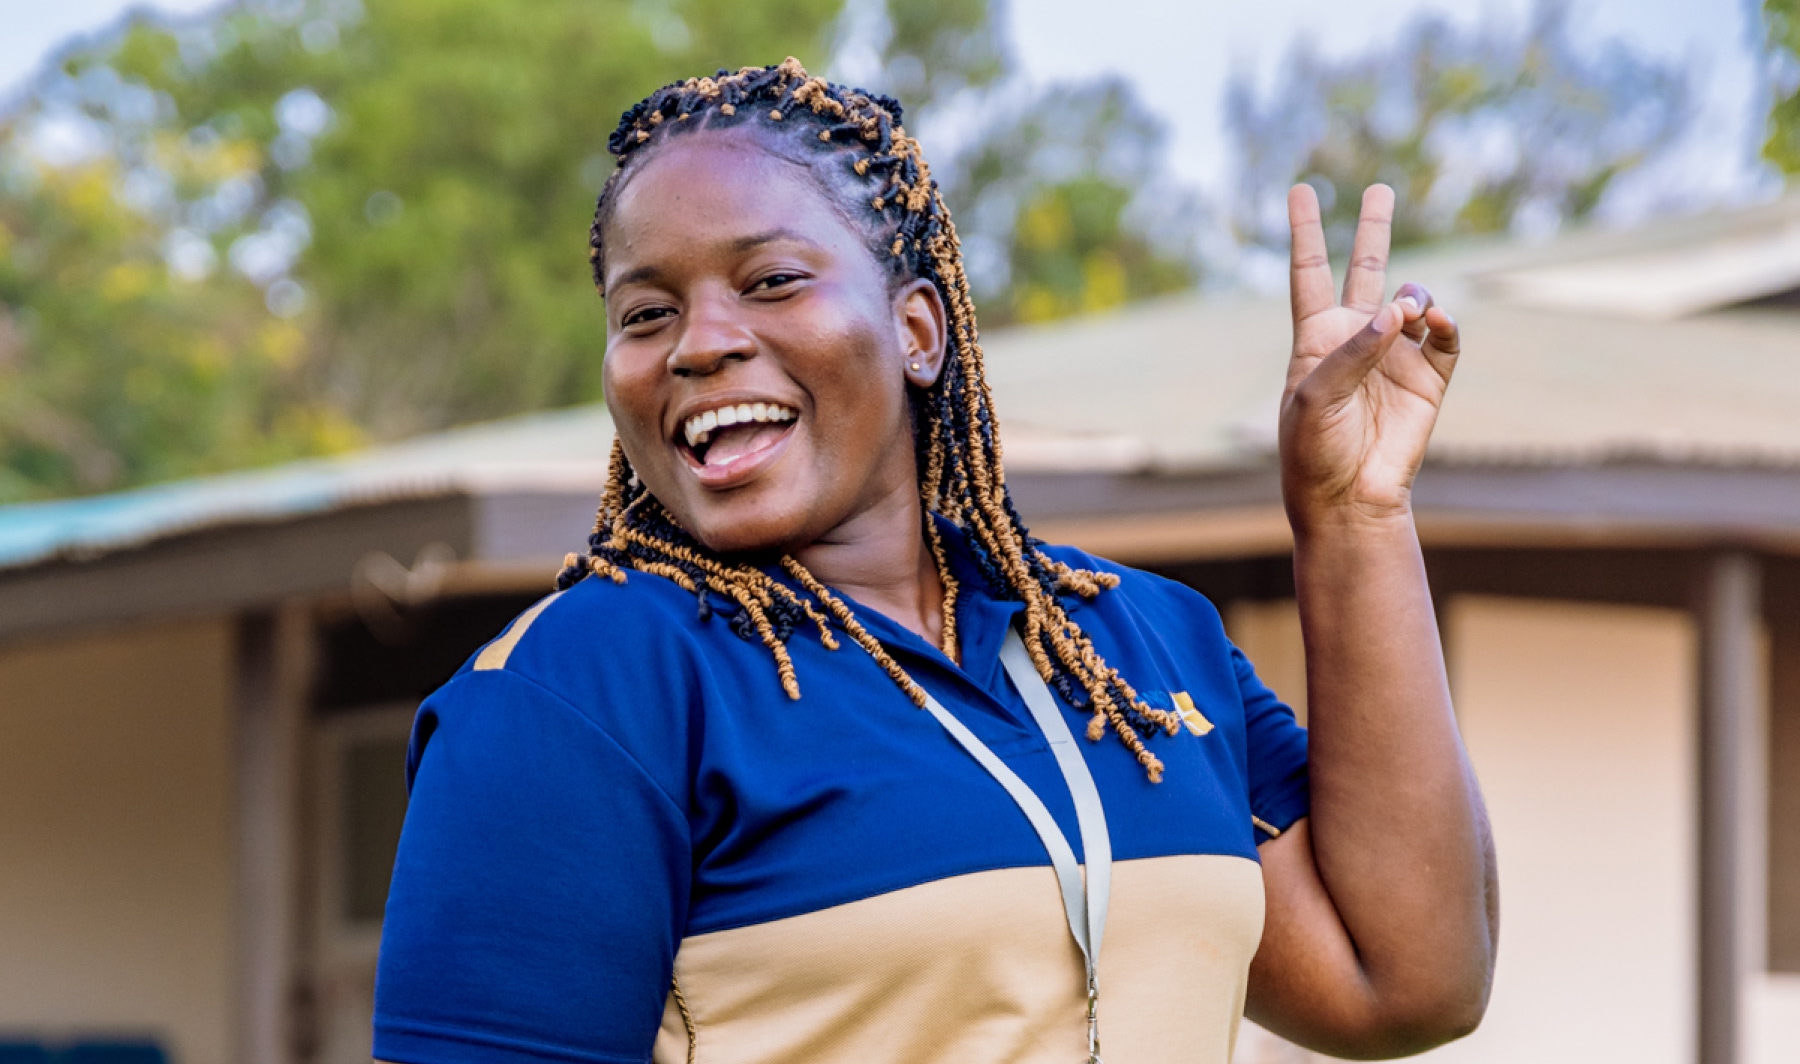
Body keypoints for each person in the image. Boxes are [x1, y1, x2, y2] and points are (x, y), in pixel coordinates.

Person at [372, 58, 1497, 1064]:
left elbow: (1404, 981)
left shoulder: (1132, 640)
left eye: (769, 282)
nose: (702, 342)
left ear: (918, 330)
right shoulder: (578, 691)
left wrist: (1354, 518)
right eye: (647, 311)